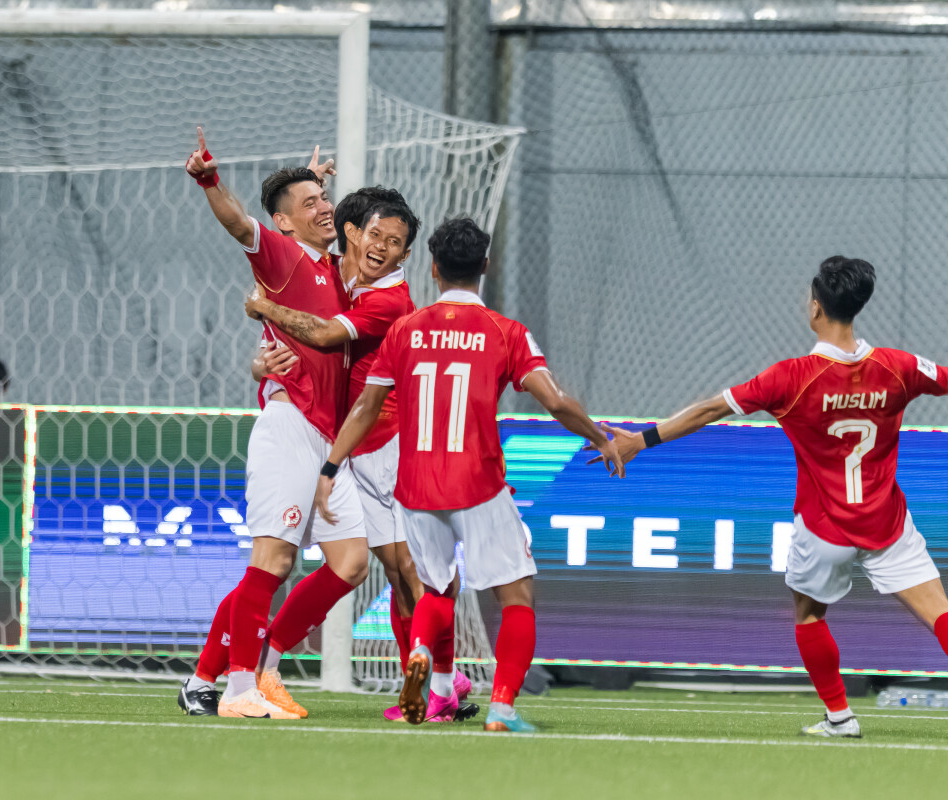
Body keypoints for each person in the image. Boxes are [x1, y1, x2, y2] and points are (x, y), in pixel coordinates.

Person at [593, 256, 948, 745]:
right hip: (886, 522)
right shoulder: (899, 367)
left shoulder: (790, 376)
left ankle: (841, 718)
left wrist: (641, 439)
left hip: (823, 528)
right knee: (940, 611)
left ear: (817, 307)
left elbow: (710, 409)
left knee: (808, 615)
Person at [313, 218, 624, 732]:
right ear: (485, 266)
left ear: (432, 268)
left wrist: (330, 466)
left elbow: (367, 408)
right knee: (516, 595)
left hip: (415, 486)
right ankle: (502, 709)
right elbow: (556, 401)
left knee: (434, 591)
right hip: (477, 483)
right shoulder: (506, 332)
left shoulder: (405, 330)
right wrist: (601, 437)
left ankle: (420, 660)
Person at [246, 190, 475, 721]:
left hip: (392, 444)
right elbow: (295, 245)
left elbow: (326, 335)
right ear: (354, 232)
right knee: (393, 573)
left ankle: (440, 678)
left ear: (407, 257)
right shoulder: (342, 271)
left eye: (396, 244)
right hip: (356, 448)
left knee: (413, 571)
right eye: (375, 235)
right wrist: (309, 186)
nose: (382, 248)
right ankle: (441, 676)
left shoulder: (388, 299)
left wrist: (264, 308)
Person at [178, 131, 369, 720]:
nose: (323, 208)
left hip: (327, 439)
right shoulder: (281, 258)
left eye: (323, 199)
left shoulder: (336, 269)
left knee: (351, 561)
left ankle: (215, 676)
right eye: (309, 204)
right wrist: (211, 181)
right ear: (284, 224)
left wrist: (314, 188)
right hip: (290, 426)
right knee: (272, 561)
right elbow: (240, 223)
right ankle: (238, 688)